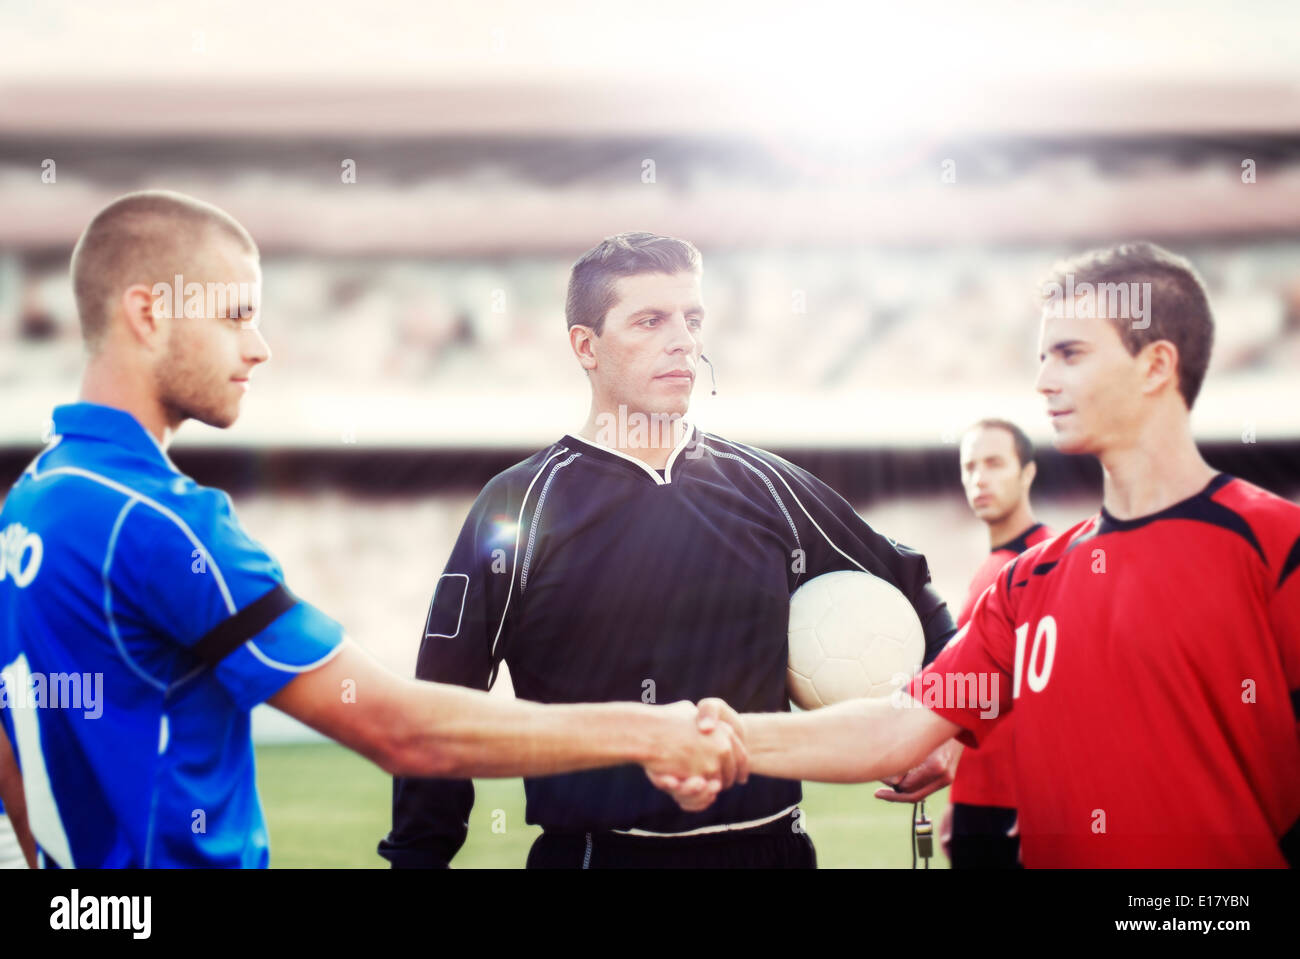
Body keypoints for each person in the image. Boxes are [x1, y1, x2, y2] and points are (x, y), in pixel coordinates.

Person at [0, 192, 746, 869]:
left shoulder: (34, 501)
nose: (258, 346)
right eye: (233, 315)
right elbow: (398, 729)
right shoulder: (160, 523)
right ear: (147, 314)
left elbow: (12, 753)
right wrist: (649, 732)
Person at [685, 242, 1300, 868]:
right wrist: (712, 737)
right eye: (1042, 356)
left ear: (1155, 366)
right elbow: (898, 728)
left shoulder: (1276, 547)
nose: (1043, 380)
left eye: (1070, 354)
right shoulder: (1028, 582)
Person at [379, 233, 957, 869]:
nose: (682, 340)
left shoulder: (768, 487)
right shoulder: (518, 507)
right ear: (586, 346)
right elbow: (441, 701)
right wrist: (418, 856)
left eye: (693, 319)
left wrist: (945, 726)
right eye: (650, 320)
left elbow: (914, 588)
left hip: (772, 852)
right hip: (596, 856)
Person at [943, 418, 1054, 868]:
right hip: (976, 800)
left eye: (994, 463)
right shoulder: (990, 566)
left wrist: (1046, 803)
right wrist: (959, 797)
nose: (980, 478)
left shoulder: (1048, 563)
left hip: (1016, 805)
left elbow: (1062, 697)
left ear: (1027, 473)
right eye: (970, 466)